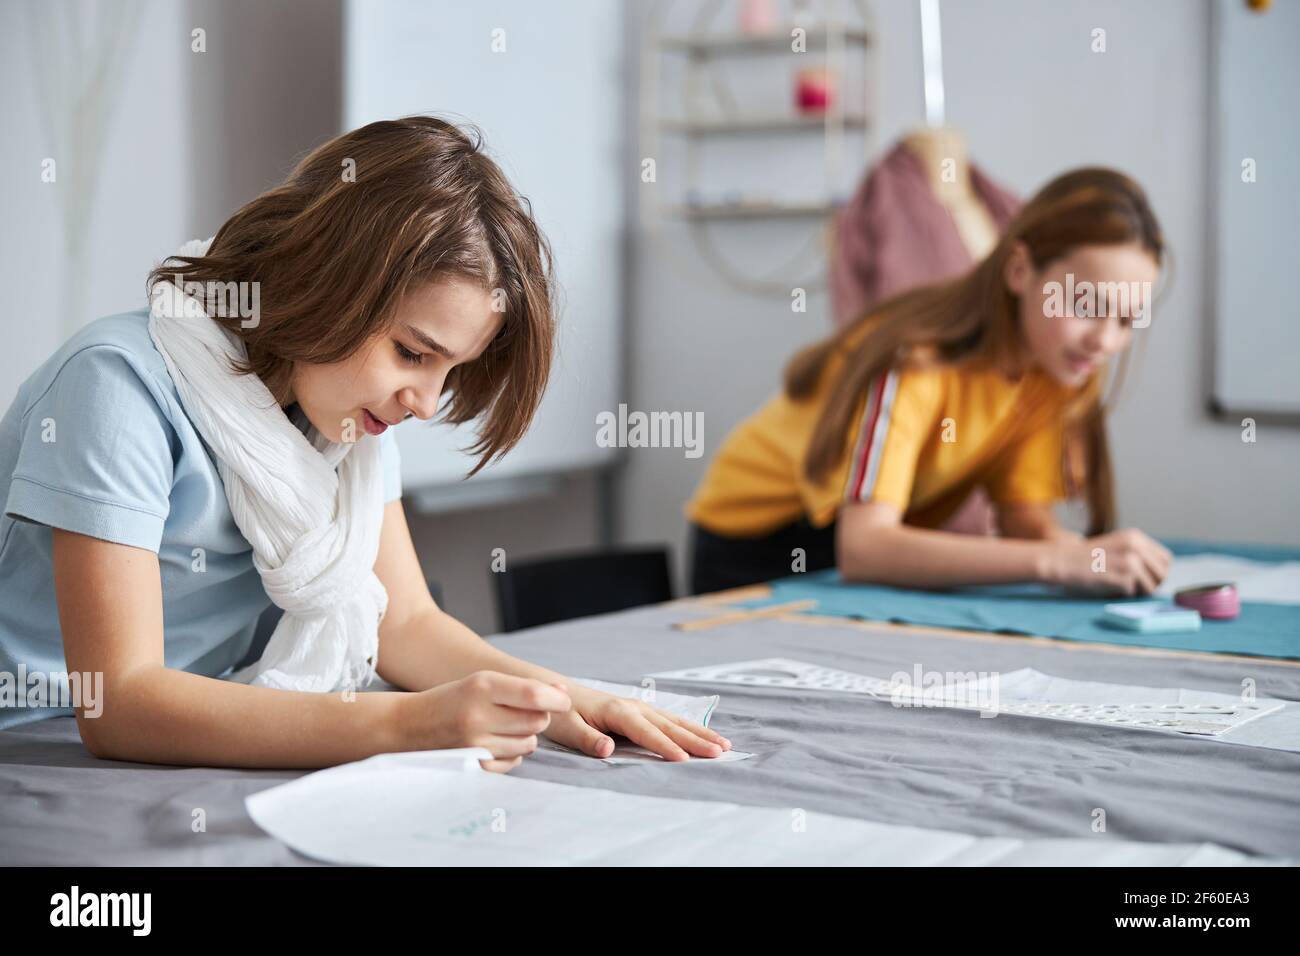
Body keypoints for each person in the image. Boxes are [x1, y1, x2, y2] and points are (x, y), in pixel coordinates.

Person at [0, 116, 730, 769]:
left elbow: (406, 625)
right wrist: (410, 722)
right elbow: (120, 704)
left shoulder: (346, 414)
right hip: (38, 744)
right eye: (413, 353)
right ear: (325, 281)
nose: (425, 401)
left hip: (191, 735)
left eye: (451, 368)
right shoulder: (117, 387)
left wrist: (566, 698)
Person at [687, 168, 1172, 598]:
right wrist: (1062, 560)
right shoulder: (918, 361)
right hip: (758, 547)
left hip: (849, 545)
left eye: (1127, 320)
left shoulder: (1053, 370)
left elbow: (1023, 523)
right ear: (1021, 270)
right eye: (1087, 305)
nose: (1105, 340)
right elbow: (866, 549)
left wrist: (1097, 557)